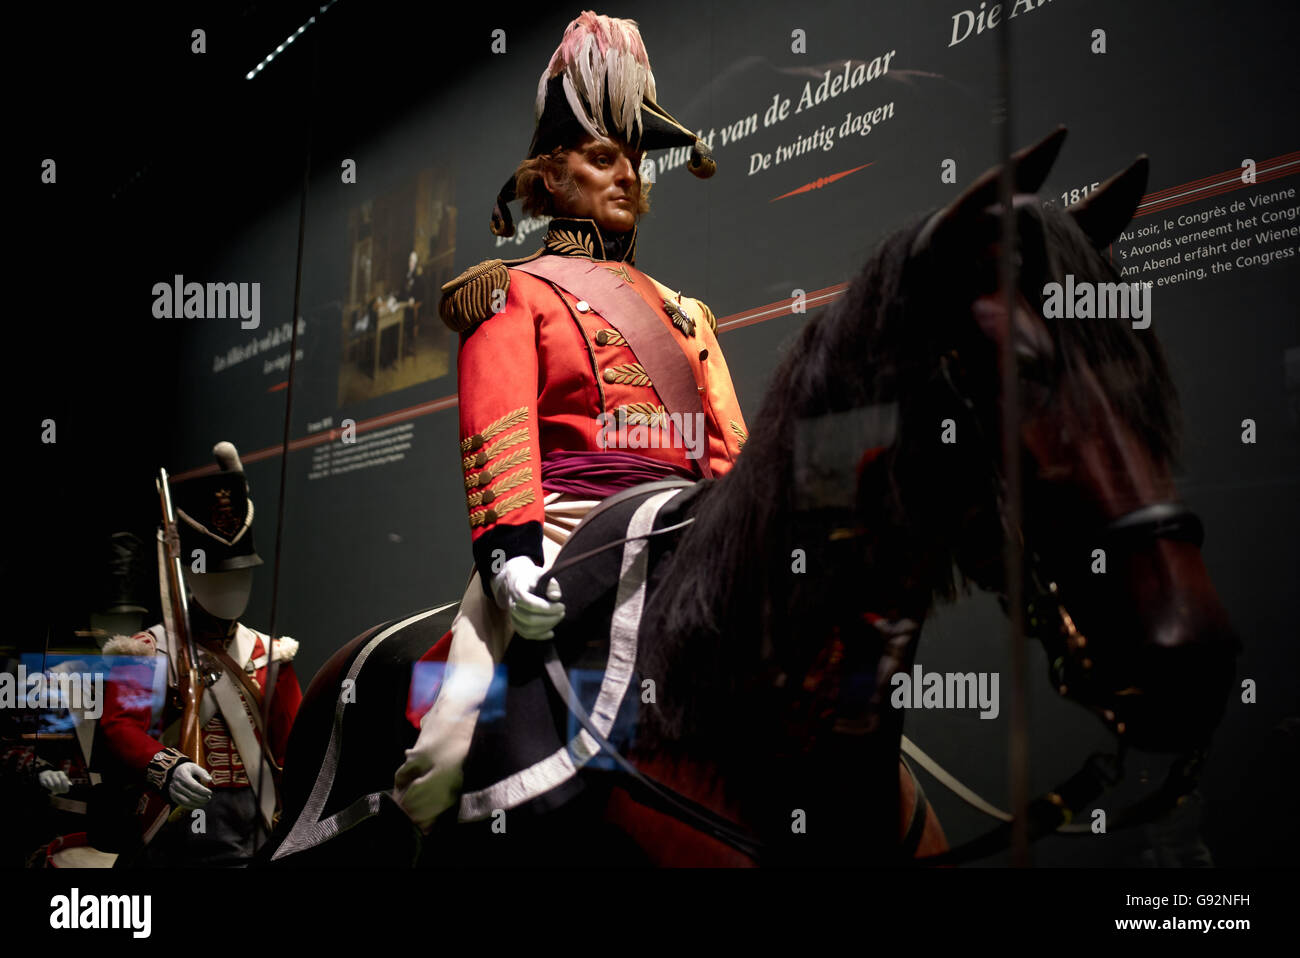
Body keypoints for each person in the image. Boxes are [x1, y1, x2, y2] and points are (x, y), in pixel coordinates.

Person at [394, 10, 748, 830]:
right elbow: (498, 429)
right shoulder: (512, 291)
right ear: (552, 179)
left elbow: (728, 450)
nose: (626, 176)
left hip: (685, 536)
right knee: (447, 750)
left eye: (632, 161)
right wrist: (512, 557)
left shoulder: (686, 314)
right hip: (560, 530)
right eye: (601, 159)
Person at [98, 442, 302, 866]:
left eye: (239, 574)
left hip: (255, 817)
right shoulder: (146, 651)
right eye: (217, 576)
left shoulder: (270, 653)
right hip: (173, 817)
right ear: (191, 574)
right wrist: (166, 767)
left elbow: (290, 746)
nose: (231, 588)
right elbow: (119, 727)